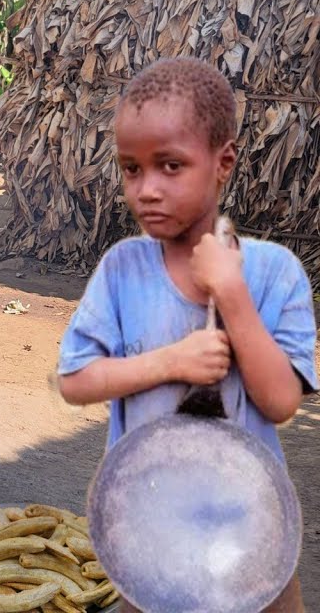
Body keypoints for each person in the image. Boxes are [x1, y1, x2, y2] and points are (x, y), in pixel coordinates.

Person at [56, 57, 314, 612]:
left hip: (252, 535)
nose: (146, 189)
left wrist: (232, 294)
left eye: (171, 166)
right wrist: (171, 362)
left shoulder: (274, 274)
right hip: (147, 532)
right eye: (131, 169)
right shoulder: (122, 270)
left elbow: (280, 402)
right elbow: (75, 381)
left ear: (224, 163)